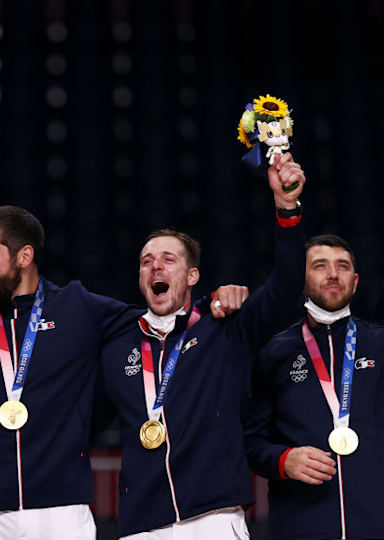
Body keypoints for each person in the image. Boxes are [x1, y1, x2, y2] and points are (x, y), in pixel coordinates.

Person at [0, 204, 245, 540]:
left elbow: (163, 319)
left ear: (24, 256)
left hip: (61, 513)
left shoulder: (77, 307)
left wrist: (213, 301)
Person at [97, 152, 306, 539]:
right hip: (141, 526)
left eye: (168, 260)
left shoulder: (224, 327)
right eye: (146, 261)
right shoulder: (117, 345)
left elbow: (288, 286)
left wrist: (286, 207)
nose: (155, 267)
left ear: (193, 275)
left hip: (213, 520)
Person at [245, 234, 384, 540]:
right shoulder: (274, 353)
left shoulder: (379, 345)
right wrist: (283, 461)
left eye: (343, 266)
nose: (333, 274)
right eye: (320, 265)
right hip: (300, 527)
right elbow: (250, 444)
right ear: (300, 277)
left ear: (355, 281)